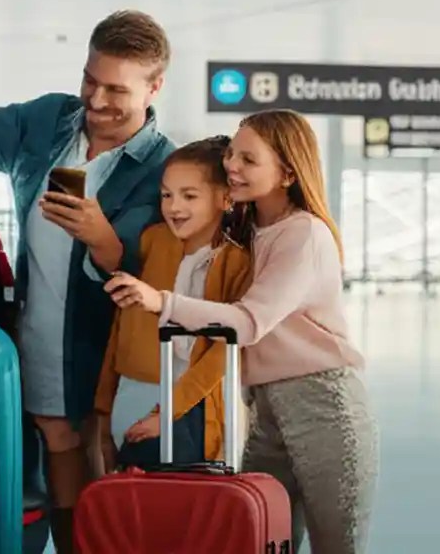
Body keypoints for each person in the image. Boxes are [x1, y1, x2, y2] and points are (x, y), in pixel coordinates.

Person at [0, 10, 176, 552]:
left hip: (111, 344)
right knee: (60, 444)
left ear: (155, 86)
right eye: (90, 79)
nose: (95, 100)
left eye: (116, 89)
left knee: (98, 456)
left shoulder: (166, 169)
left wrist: (100, 236)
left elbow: (150, 272)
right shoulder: (50, 121)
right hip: (42, 330)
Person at [104, 109, 379, 554]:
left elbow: (248, 323)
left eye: (249, 160)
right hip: (265, 408)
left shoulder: (303, 235)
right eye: (232, 153)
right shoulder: (250, 232)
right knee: (261, 538)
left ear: (287, 172)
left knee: (336, 547)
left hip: (324, 406)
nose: (232, 165)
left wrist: (160, 302)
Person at [91, 135, 252, 471]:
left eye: (189, 196)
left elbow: (226, 351)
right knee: (132, 503)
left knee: (184, 503)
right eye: (167, 194)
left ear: (226, 198)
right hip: (133, 392)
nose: (173, 207)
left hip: (192, 403)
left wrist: (168, 412)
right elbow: (121, 328)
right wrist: (103, 412)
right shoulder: (151, 242)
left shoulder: (237, 261)